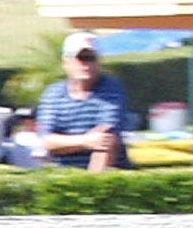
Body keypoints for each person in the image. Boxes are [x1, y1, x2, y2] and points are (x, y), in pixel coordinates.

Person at [36, 31, 133, 171]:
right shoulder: (53, 94)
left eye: (91, 58)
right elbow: (47, 141)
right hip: (64, 172)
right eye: (80, 58)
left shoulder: (110, 88)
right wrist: (86, 141)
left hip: (106, 174)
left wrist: (90, 184)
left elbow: (105, 141)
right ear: (66, 62)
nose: (86, 64)